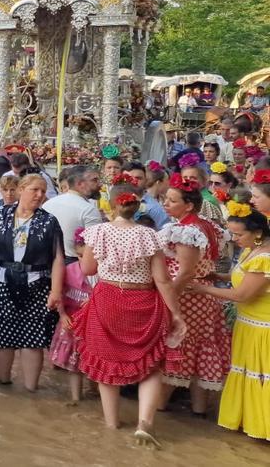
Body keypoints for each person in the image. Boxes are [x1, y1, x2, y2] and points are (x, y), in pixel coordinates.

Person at [73, 181, 184, 445]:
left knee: (105, 361)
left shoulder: (97, 232)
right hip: (144, 300)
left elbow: (88, 269)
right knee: (151, 364)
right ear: (136, 206)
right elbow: (163, 281)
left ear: (111, 205)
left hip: (108, 299)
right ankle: (144, 423)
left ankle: (111, 425)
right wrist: (177, 314)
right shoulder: (149, 235)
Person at [189, 206, 270, 441]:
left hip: (262, 329)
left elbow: (242, 295)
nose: (234, 239)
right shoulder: (251, 250)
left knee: (261, 374)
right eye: (231, 234)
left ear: (256, 232)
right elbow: (243, 279)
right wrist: (219, 277)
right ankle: (250, 421)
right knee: (249, 373)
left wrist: (203, 288)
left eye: (238, 235)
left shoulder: (264, 257)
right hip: (248, 324)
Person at [0, 174, 64, 391]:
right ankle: (3, 382)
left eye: (43, 191)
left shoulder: (49, 221)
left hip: (37, 284)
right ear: (21, 189)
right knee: (1, 334)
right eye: (35, 190)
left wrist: (55, 291)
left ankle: (30, 389)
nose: (40, 195)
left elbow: (58, 258)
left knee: (33, 337)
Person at [157, 174, 229, 414]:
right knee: (198, 347)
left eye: (172, 201)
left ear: (188, 205)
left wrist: (169, 297)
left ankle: (158, 406)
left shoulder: (187, 230)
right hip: (203, 296)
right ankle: (198, 410)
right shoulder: (206, 225)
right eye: (165, 199)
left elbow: (186, 272)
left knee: (180, 347)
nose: (166, 204)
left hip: (188, 295)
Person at [41, 165, 104, 261]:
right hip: (75, 266)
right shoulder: (89, 210)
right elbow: (94, 249)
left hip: (47, 262)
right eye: (94, 180)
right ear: (80, 184)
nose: (100, 184)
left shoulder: (48, 204)